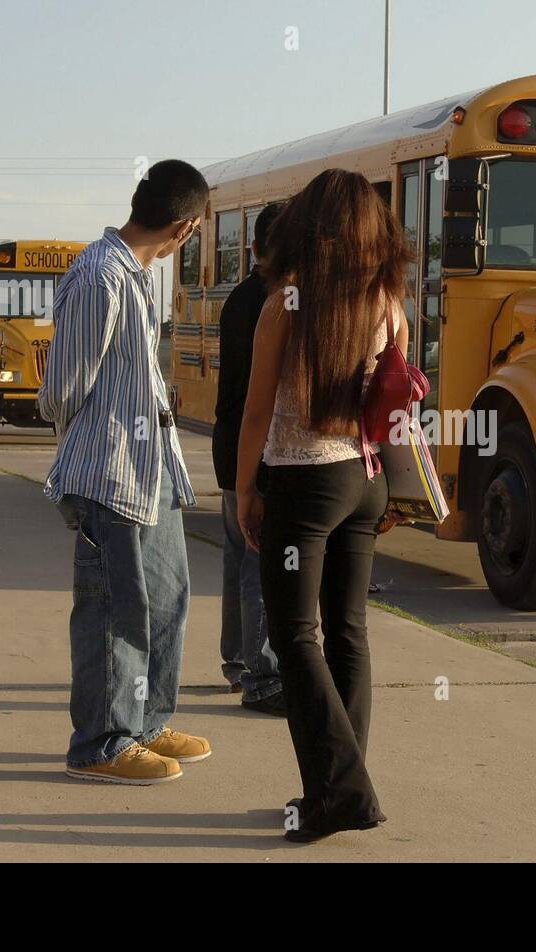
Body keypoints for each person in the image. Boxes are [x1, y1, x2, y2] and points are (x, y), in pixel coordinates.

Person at [236, 169, 412, 842]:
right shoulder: (388, 300)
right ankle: (342, 780)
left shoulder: (285, 302)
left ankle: (341, 792)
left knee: (294, 637)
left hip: (307, 482)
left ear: (304, 226)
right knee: (347, 631)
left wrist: (245, 489)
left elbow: (256, 412)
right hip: (365, 480)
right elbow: (395, 400)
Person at [39, 159, 212, 785]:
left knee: (165, 601)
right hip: (109, 475)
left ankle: (145, 722)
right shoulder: (99, 276)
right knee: (114, 610)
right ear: (186, 227)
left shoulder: (134, 276)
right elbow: (61, 388)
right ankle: (100, 743)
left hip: (152, 471)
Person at [213, 201, 286, 714]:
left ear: (254, 246)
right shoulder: (278, 301)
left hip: (227, 441)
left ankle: (237, 661)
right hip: (255, 448)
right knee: (259, 563)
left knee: (237, 555)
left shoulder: (237, 298)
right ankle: (262, 671)